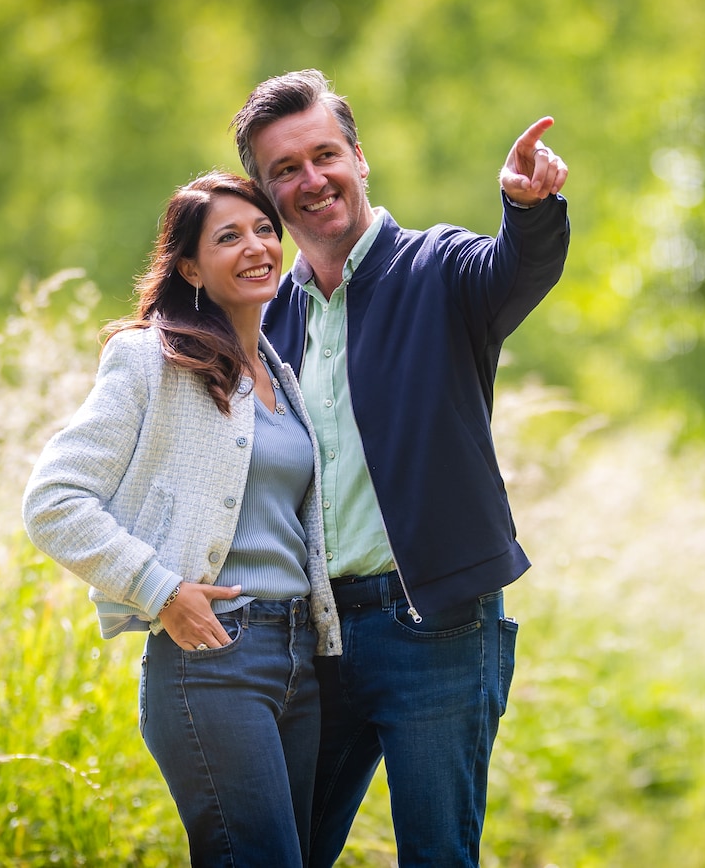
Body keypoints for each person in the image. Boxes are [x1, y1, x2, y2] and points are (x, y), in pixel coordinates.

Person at [229, 69, 570, 867]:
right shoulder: (267, 318)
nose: (311, 181)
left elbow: (517, 270)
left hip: (436, 630)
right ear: (264, 192)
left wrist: (527, 209)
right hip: (308, 638)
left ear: (359, 158)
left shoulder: (441, 269)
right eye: (286, 169)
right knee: (277, 852)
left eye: (324, 155)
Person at [22, 171, 341, 868]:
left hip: (299, 660)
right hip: (214, 661)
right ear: (190, 267)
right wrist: (160, 591)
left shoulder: (283, 377)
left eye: (264, 229)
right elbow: (53, 499)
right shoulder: (148, 358)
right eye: (229, 236)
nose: (256, 246)